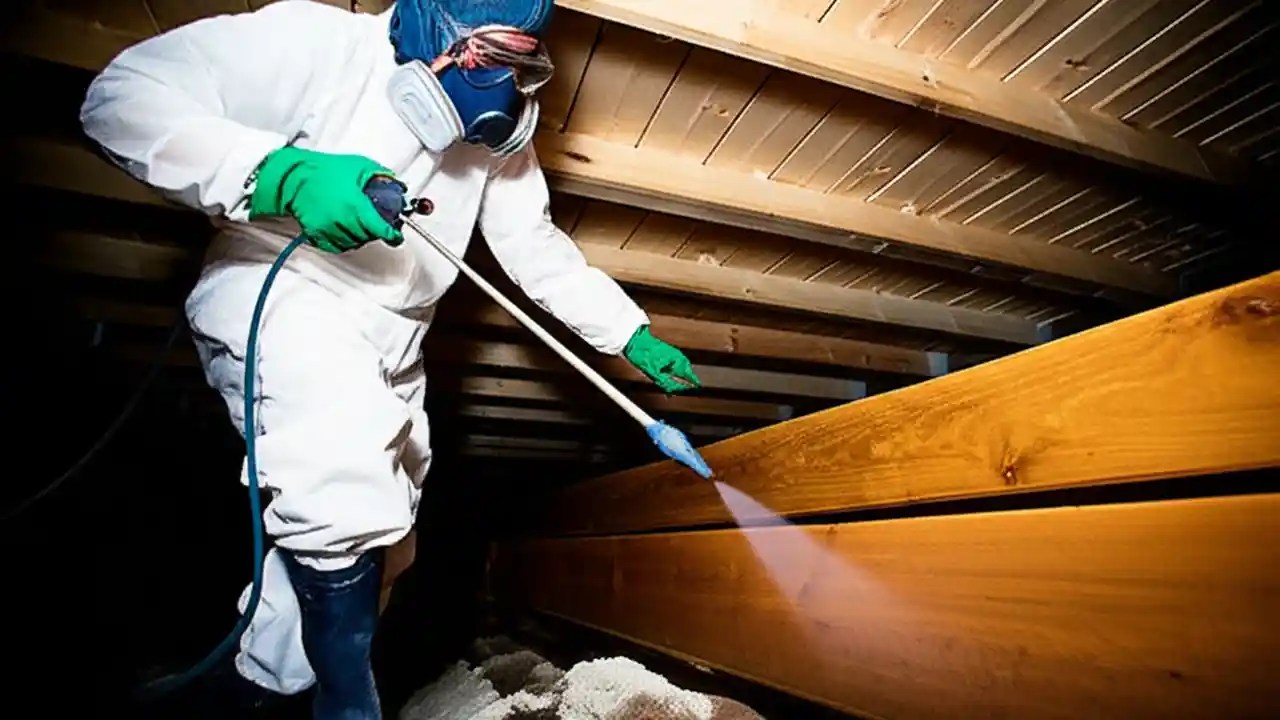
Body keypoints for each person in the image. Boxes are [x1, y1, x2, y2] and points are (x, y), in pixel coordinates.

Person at [79, 1, 701, 717]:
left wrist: (627, 333)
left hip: (397, 338)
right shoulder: (321, 44)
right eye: (485, 55)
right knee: (342, 476)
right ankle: (350, 704)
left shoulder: (496, 130)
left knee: (385, 541)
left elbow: (532, 245)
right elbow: (121, 100)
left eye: (519, 61)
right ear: (429, 24)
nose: (499, 84)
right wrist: (282, 174)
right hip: (288, 287)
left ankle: (259, 686)